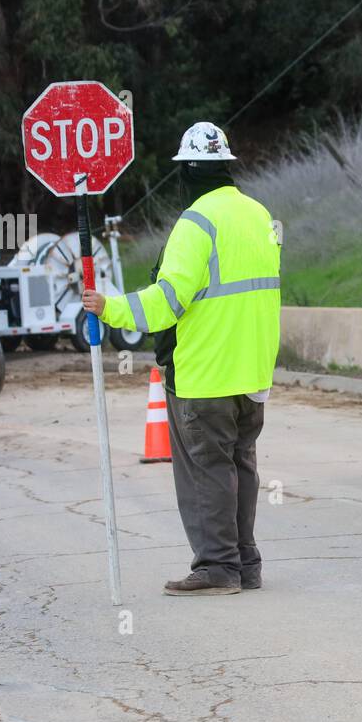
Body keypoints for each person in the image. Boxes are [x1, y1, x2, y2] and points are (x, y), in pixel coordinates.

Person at [83, 121, 281, 596]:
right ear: (226, 166)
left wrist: (109, 307)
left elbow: (166, 302)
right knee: (241, 465)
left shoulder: (196, 223)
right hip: (253, 370)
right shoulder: (259, 215)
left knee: (207, 470)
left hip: (205, 373)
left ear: (188, 171)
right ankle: (245, 564)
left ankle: (217, 567)